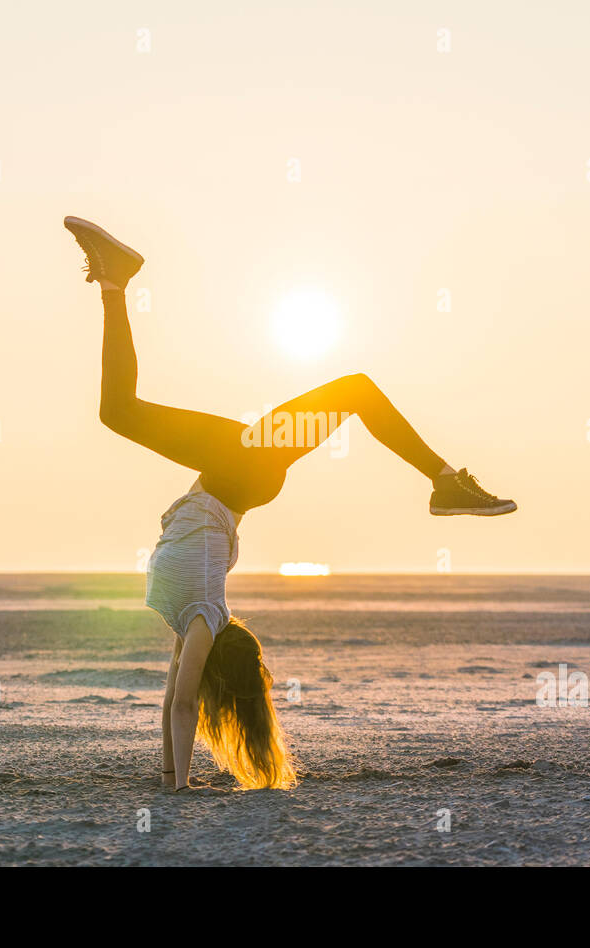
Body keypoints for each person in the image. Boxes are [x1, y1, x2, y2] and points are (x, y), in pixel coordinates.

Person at [64, 216, 517, 791]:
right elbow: (181, 706)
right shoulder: (202, 613)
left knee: (118, 412)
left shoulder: (192, 623)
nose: (190, 674)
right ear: (215, 660)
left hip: (241, 474)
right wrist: (174, 788)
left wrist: (170, 781)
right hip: (241, 469)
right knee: (352, 389)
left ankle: (115, 283)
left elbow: (174, 705)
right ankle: (445, 481)